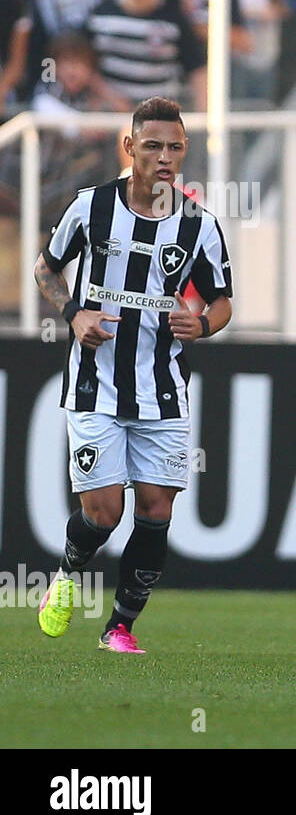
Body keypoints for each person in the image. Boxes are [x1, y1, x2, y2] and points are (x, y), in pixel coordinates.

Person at [32, 95, 233, 653]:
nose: (164, 157)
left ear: (185, 150)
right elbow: (46, 268)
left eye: (174, 147)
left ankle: (120, 627)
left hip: (164, 390)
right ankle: (68, 575)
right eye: (152, 146)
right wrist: (74, 314)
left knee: (156, 509)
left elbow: (221, 303)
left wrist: (202, 324)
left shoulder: (200, 226)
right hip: (94, 386)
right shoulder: (91, 208)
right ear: (129, 148)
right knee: (103, 511)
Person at [84, 0, 207, 108]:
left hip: (157, 120)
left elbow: (197, 69)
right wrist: (113, 101)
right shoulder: (100, 14)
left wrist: (204, 122)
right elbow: (84, 66)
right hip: (108, 118)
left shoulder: (174, 20)